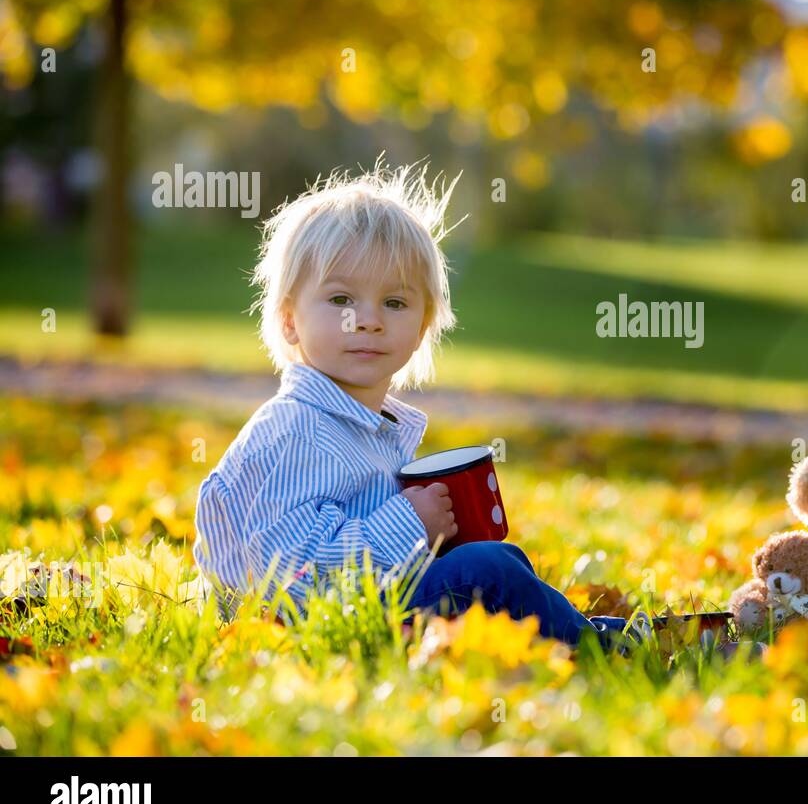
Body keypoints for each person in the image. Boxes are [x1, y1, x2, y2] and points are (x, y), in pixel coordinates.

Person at [192, 161, 644, 652]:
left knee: (498, 557)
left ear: (423, 325)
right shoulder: (297, 432)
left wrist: (434, 540)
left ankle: (562, 640)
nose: (367, 320)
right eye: (341, 298)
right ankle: (605, 648)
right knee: (485, 571)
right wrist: (409, 522)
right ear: (289, 321)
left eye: (395, 303)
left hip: (367, 605)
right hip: (308, 630)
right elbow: (296, 575)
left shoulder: (364, 427)